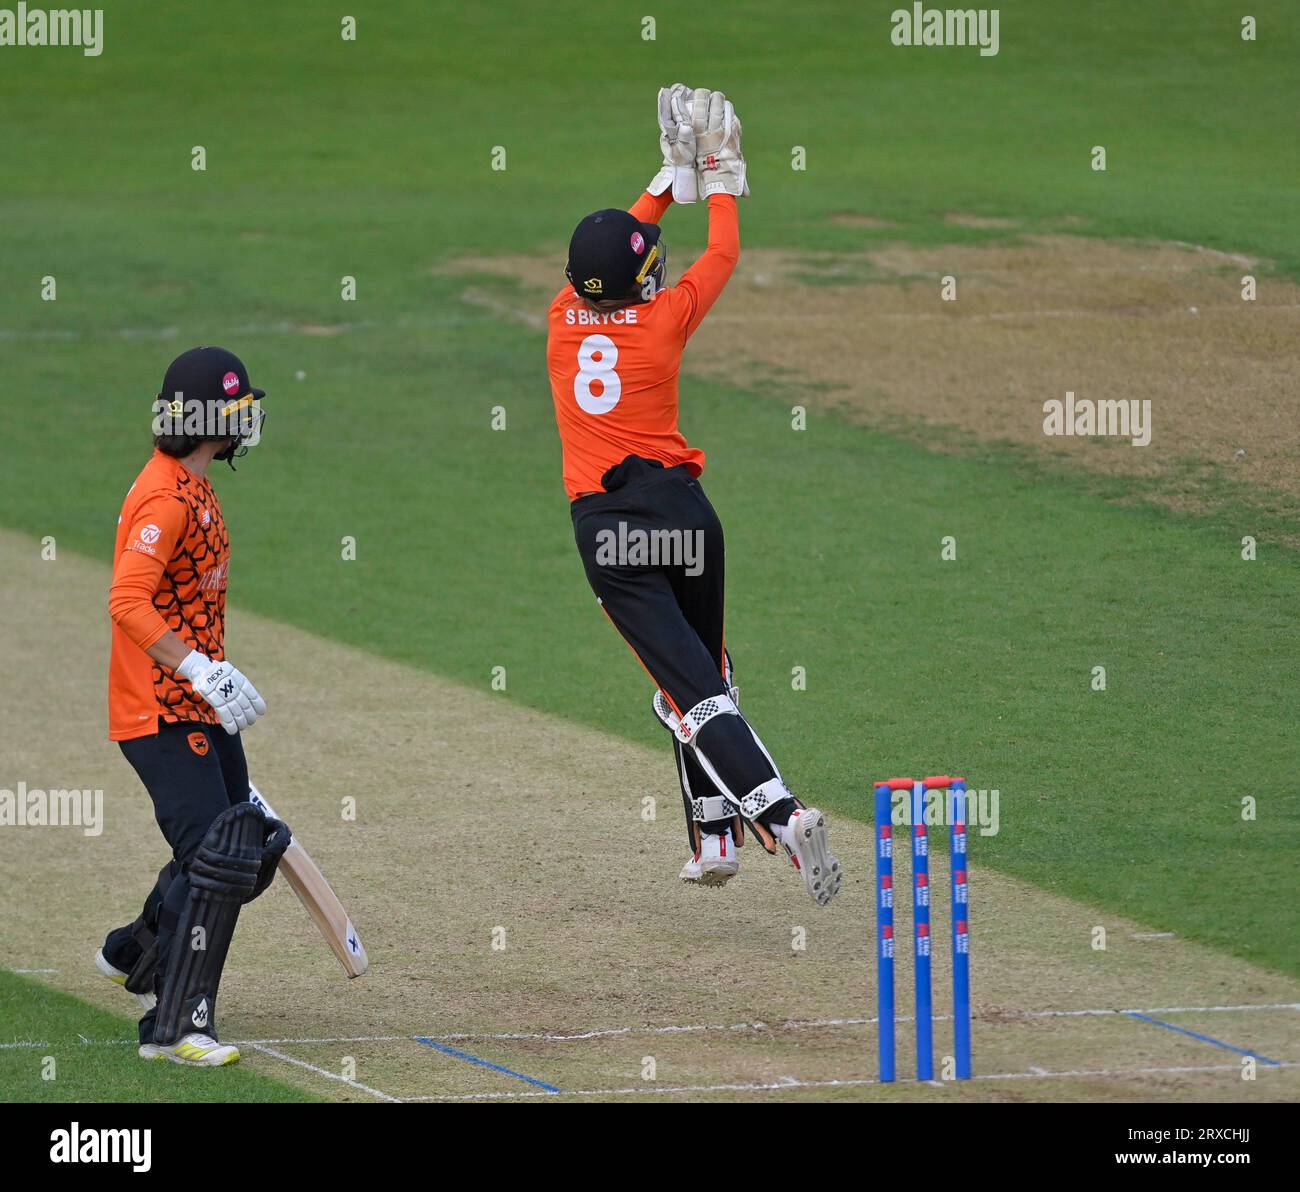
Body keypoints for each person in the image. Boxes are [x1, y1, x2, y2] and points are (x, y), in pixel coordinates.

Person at [546, 86, 843, 905]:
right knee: (701, 678)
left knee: (695, 693)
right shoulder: (664, 321)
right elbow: (723, 256)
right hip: (686, 518)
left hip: (611, 533)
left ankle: (782, 817)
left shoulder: (562, 316)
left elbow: (620, 251)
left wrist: (665, 180)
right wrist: (715, 178)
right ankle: (715, 838)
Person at [95, 346, 288, 1066]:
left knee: (249, 851)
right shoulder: (165, 498)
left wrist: (209, 681)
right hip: (159, 707)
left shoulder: (194, 485)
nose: (247, 421)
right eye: (238, 409)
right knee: (220, 857)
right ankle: (177, 1026)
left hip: (194, 704)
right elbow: (126, 601)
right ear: (209, 419)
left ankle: (134, 952)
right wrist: (201, 671)